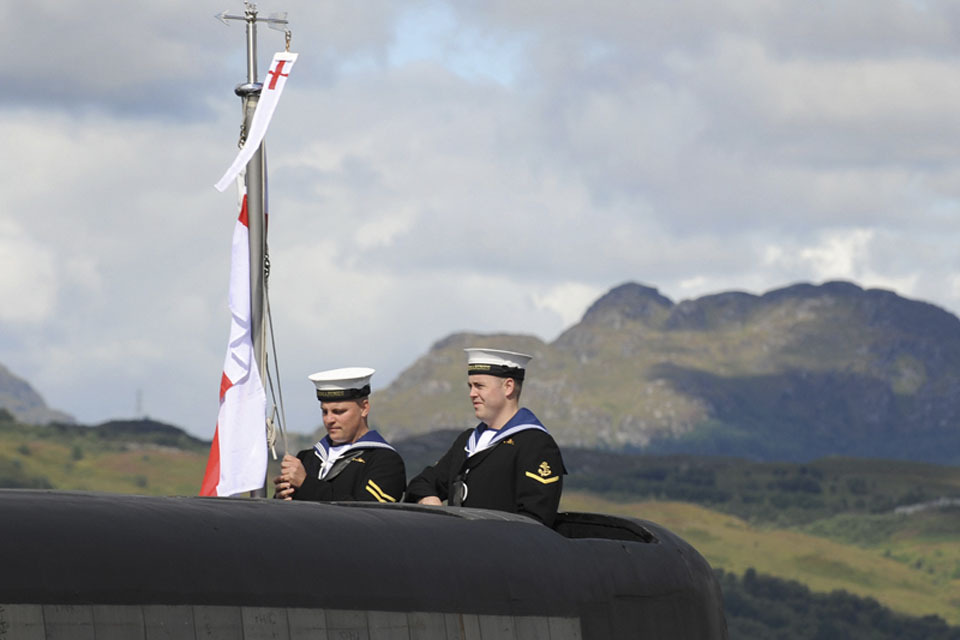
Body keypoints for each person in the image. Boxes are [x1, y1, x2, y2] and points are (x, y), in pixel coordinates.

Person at [405, 348, 566, 526]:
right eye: (470, 386)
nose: (472, 394)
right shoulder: (467, 441)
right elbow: (421, 483)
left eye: (479, 386)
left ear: (508, 387)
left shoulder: (535, 444)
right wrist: (428, 499)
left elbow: (536, 521)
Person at [273, 367, 406, 503]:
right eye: (325, 412)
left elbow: (368, 514)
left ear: (364, 408)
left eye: (338, 412)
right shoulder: (306, 458)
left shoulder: (386, 462)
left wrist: (305, 484)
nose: (329, 420)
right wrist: (280, 499)